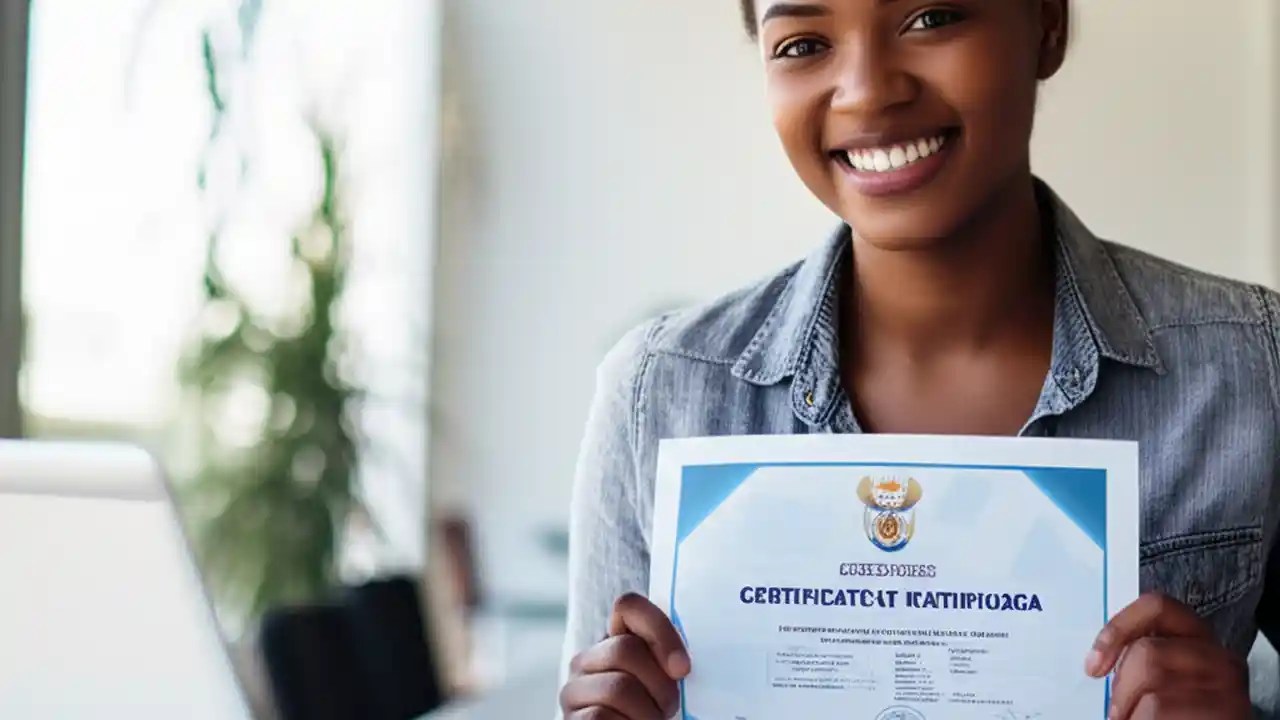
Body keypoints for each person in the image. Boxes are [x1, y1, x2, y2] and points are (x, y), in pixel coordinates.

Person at [557, 1, 1277, 718]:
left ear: (1047, 27)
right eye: (803, 43)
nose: (867, 89)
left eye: (932, 18)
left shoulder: (1256, 368)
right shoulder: (657, 392)